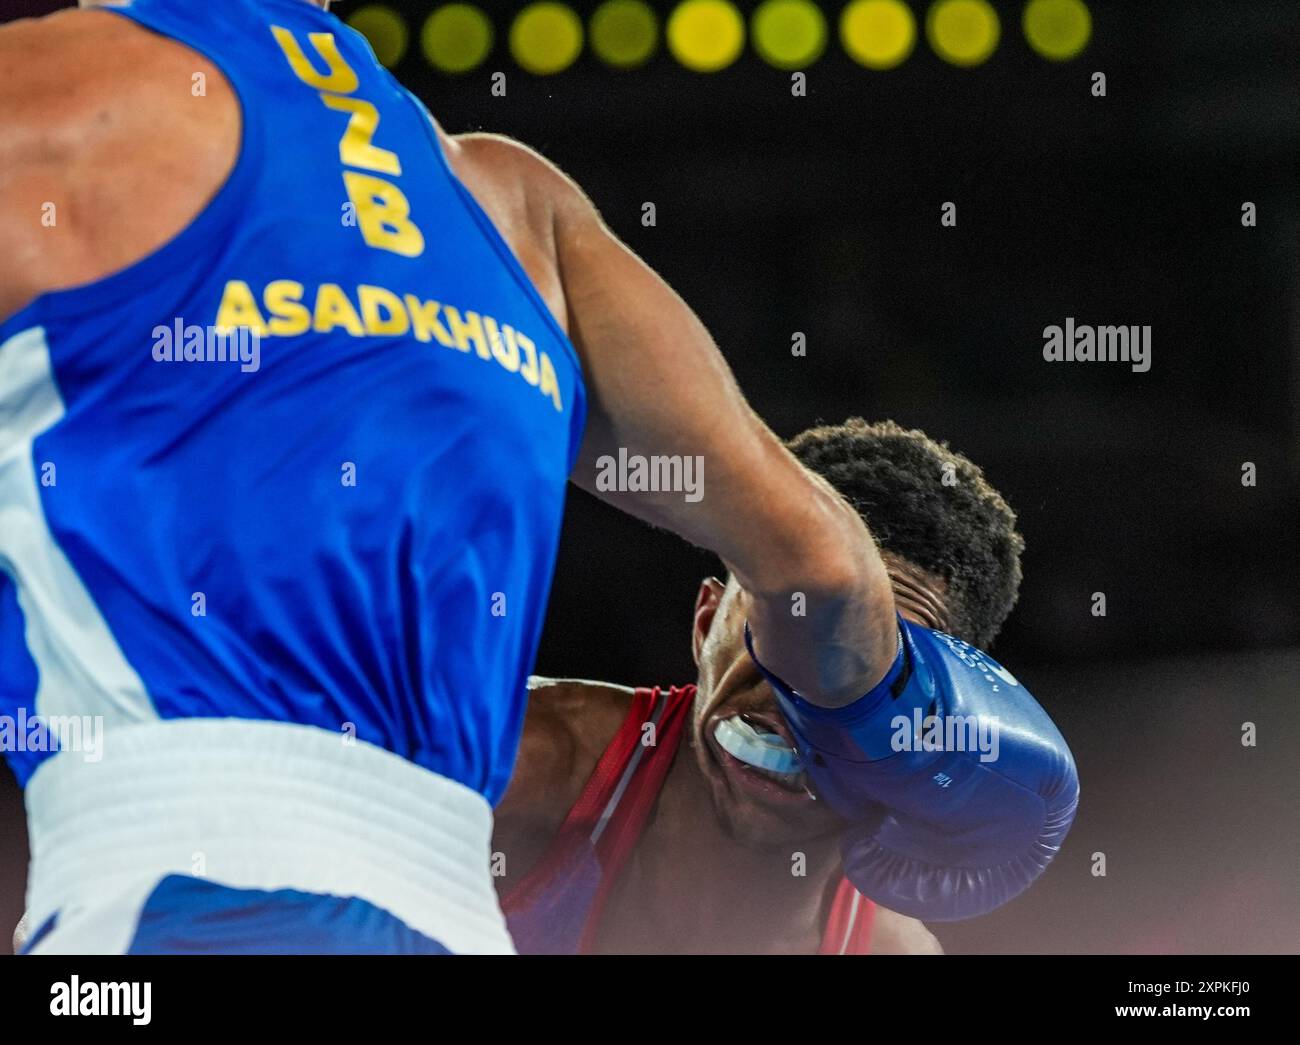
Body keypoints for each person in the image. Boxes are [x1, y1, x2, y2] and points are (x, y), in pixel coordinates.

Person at [0, 0, 1076, 954]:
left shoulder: (50, 102)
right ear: (705, 616)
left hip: (168, 901)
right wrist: (901, 720)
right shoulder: (515, 207)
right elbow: (827, 571)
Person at [494, 420, 1033, 953]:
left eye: (871, 674)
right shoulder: (521, 759)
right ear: (707, 625)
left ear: (934, 721)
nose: (800, 697)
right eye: (785, 632)